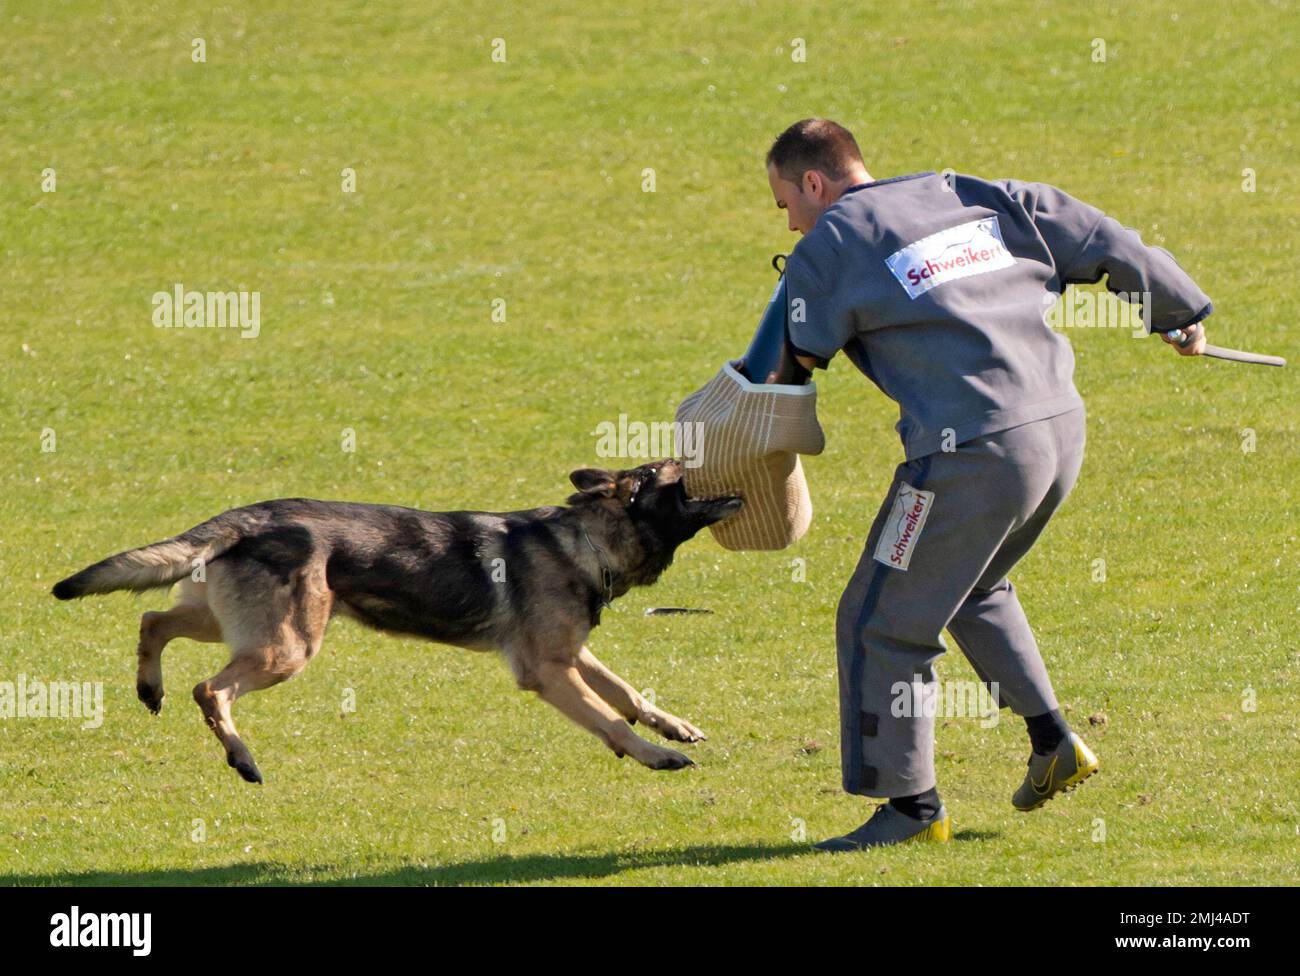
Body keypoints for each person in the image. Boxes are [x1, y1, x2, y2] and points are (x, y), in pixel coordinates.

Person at [764, 118, 1211, 850]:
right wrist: (1177, 311)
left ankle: (909, 812)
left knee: (881, 622)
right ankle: (1054, 742)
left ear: (814, 181)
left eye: (784, 200)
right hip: (1059, 431)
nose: (787, 219)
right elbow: (1102, 237)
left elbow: (791, 362)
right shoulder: (976, 195)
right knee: (969, 587)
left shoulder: (832, 242)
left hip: (971, 452)